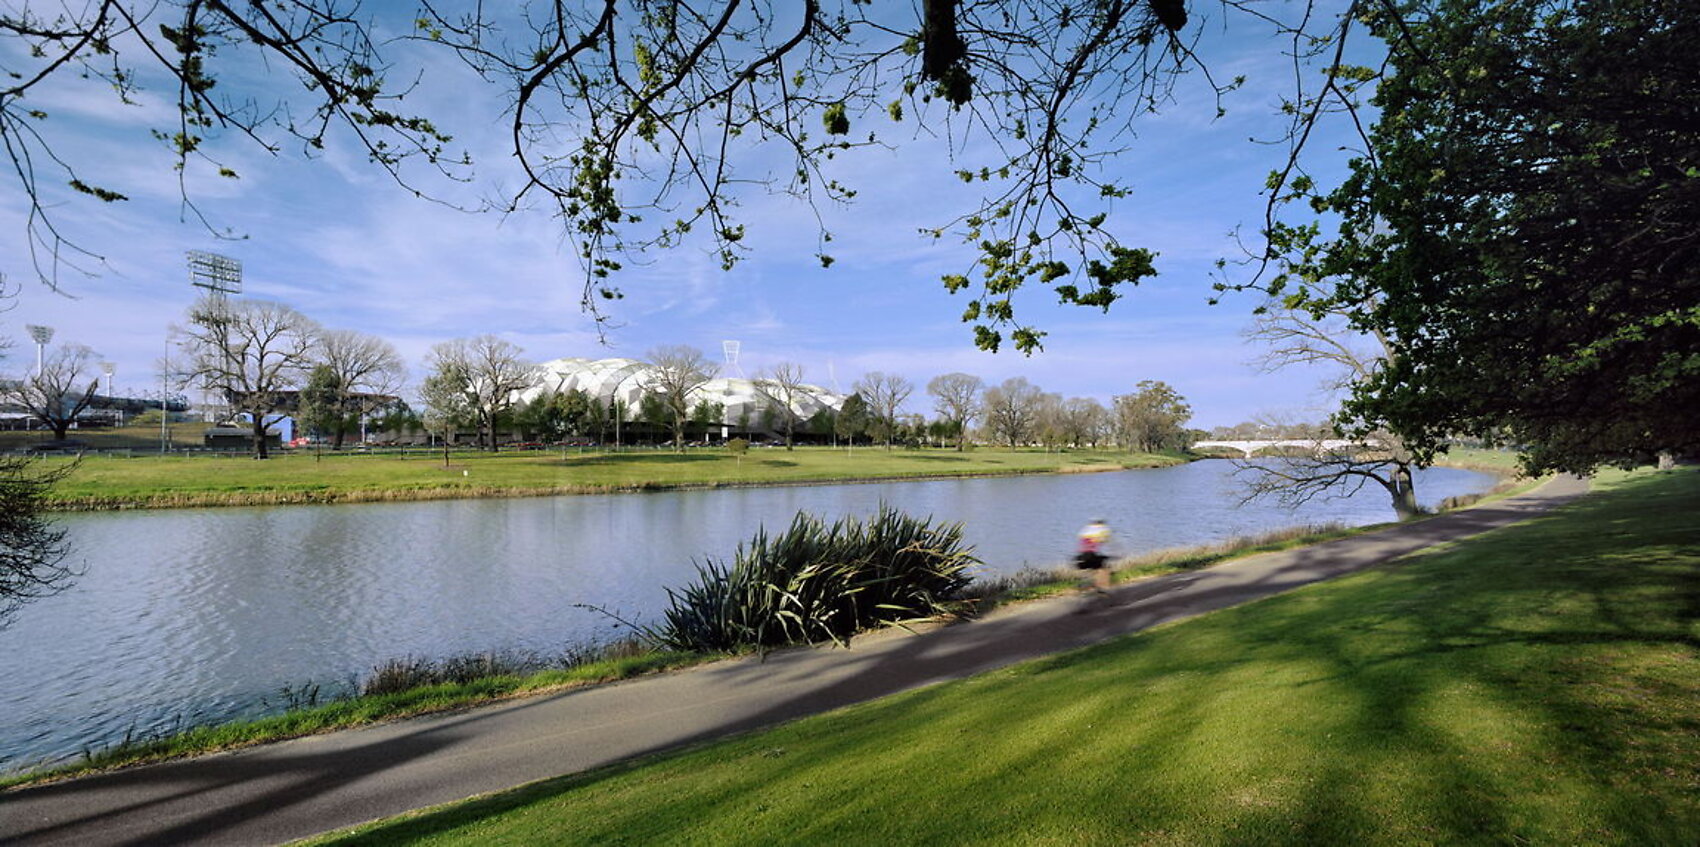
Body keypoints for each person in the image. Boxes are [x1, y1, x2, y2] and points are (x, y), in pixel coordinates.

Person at [1075, 518, 1113, 595]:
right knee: (1104, 568)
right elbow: (1106, 541)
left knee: (1094, 568)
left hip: (1081, 556)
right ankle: (1102, 588)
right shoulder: (1102, 529)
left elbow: (1083, 542)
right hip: (1090, 555)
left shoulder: (1085, 529)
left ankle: (1085, 584)